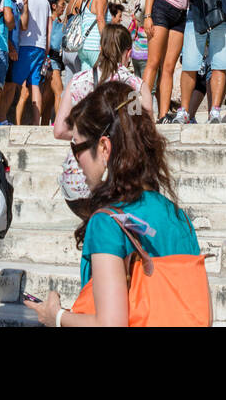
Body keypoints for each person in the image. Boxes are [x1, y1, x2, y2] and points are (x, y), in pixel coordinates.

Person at [27, 81, 206, 327]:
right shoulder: (179, 217)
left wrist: (55, 316)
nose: (75, 158)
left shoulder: (107, 223)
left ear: (104, 147)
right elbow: (200, 313)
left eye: (76, 146)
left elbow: (110, 324)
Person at [54, 25, 150, 204]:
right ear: (128, 53)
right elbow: (144, 135)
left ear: (100, 48)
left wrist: (87, 134)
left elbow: (59, 130)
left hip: (78, 180)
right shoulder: (135, 87)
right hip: (120, 178)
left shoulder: (78, 81)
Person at [12, 0, 50, 126]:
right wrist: (46, 51)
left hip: (25, 44)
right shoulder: (45, 0)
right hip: (40, 46)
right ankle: (36, 123)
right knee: (36, 85)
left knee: (15, 85)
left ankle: (15, 121)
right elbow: (49, 28)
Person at [76, 0, 110, 75]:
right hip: (95, 46)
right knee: (102, 81)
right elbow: (100, 18)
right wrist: (106, 42)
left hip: (84, 47)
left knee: (87, 82)